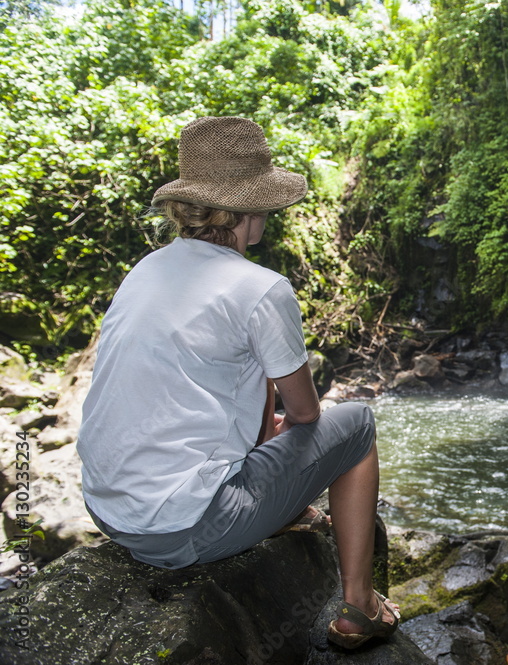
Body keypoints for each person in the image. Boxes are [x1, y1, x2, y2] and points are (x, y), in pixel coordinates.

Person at [76, 116, 399, 648]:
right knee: (358, 425)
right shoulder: (260, 288)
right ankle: (360, 606)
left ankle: (283, 511)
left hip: (109, 509)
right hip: (182, 526)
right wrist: (279, 429)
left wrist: (265, 434)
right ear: (252, 211)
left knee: (263, 425)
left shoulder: (146, 270)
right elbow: (306, 414)